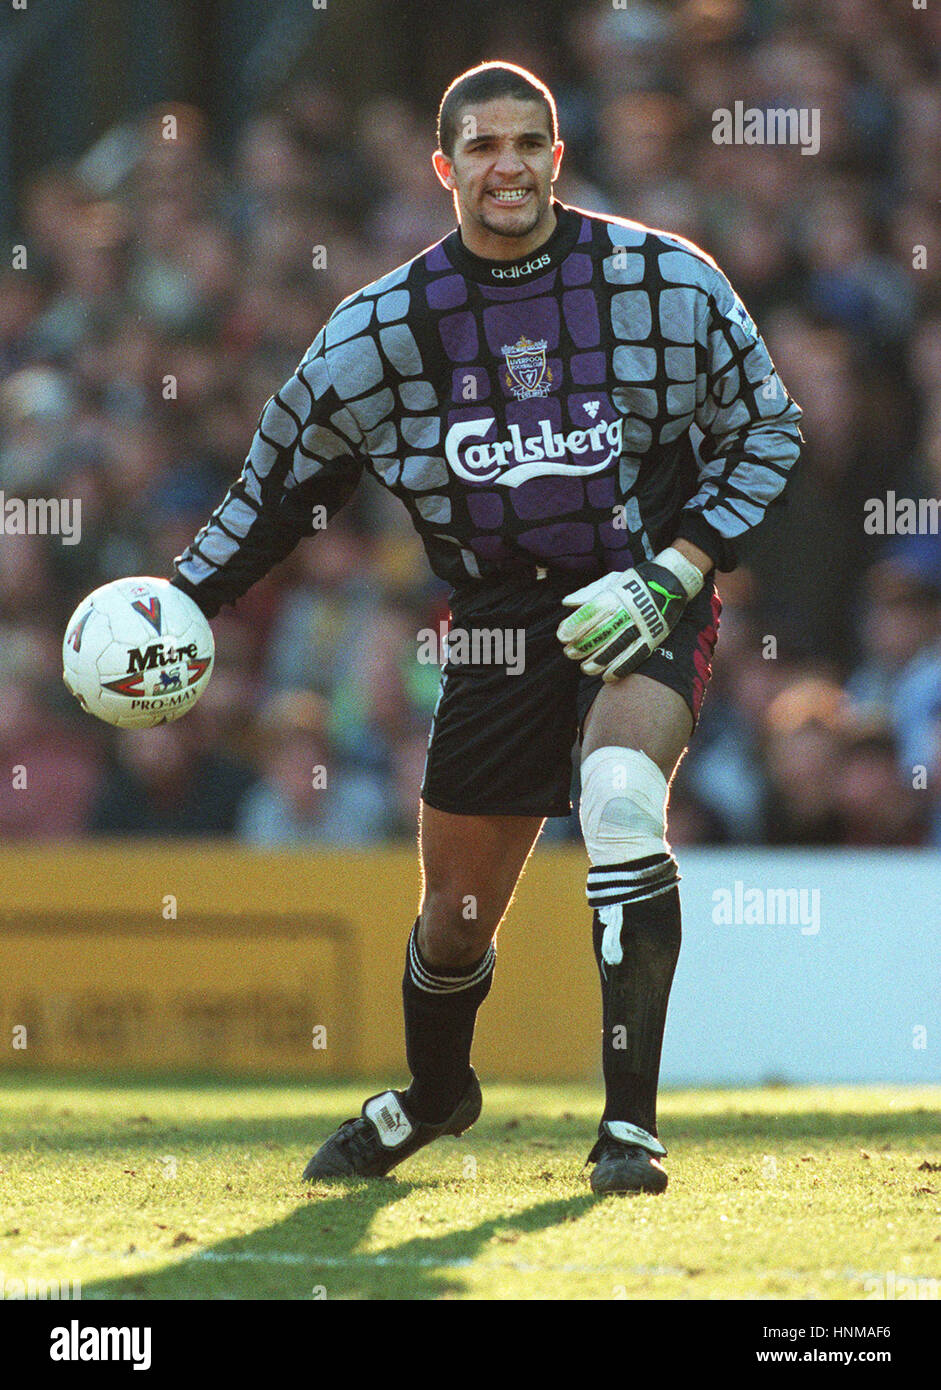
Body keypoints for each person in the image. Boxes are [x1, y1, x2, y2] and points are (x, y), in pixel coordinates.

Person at [170, 62, 802, 1194]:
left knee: (619, 801)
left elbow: (766, 428)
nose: (505, 165)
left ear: (556, 161)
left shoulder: (662, 278)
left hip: (641, 589)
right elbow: (279, 487)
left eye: (526, 144)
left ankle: (628, 1130)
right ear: (443, 168)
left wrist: (675, 569)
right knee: (455, 919)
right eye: (481, 147)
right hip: (496, 626)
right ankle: (435, 1095)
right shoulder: (382, 326)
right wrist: (182, 603)